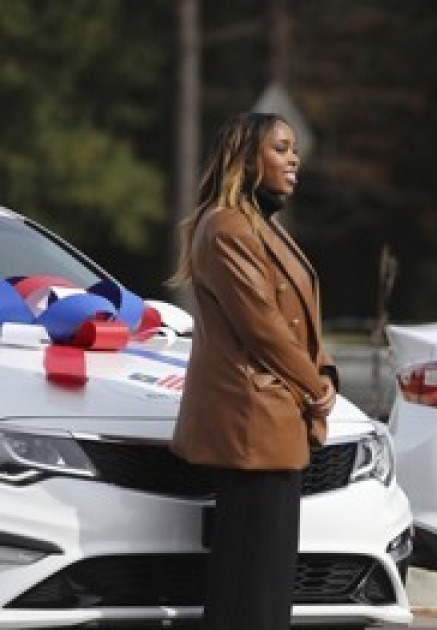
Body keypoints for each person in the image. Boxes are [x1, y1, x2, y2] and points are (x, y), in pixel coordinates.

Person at [169, 112, 338, 630]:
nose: (295, 158)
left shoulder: (262, 226)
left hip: (275, 417)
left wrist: (326, 372)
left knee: (263, 581)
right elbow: (262, 326)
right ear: (247, 160)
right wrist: (315, 386)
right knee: (250, 587)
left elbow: (299, 319)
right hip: (252, 423)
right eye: (281, 149)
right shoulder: (226, 226)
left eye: (294, 148)